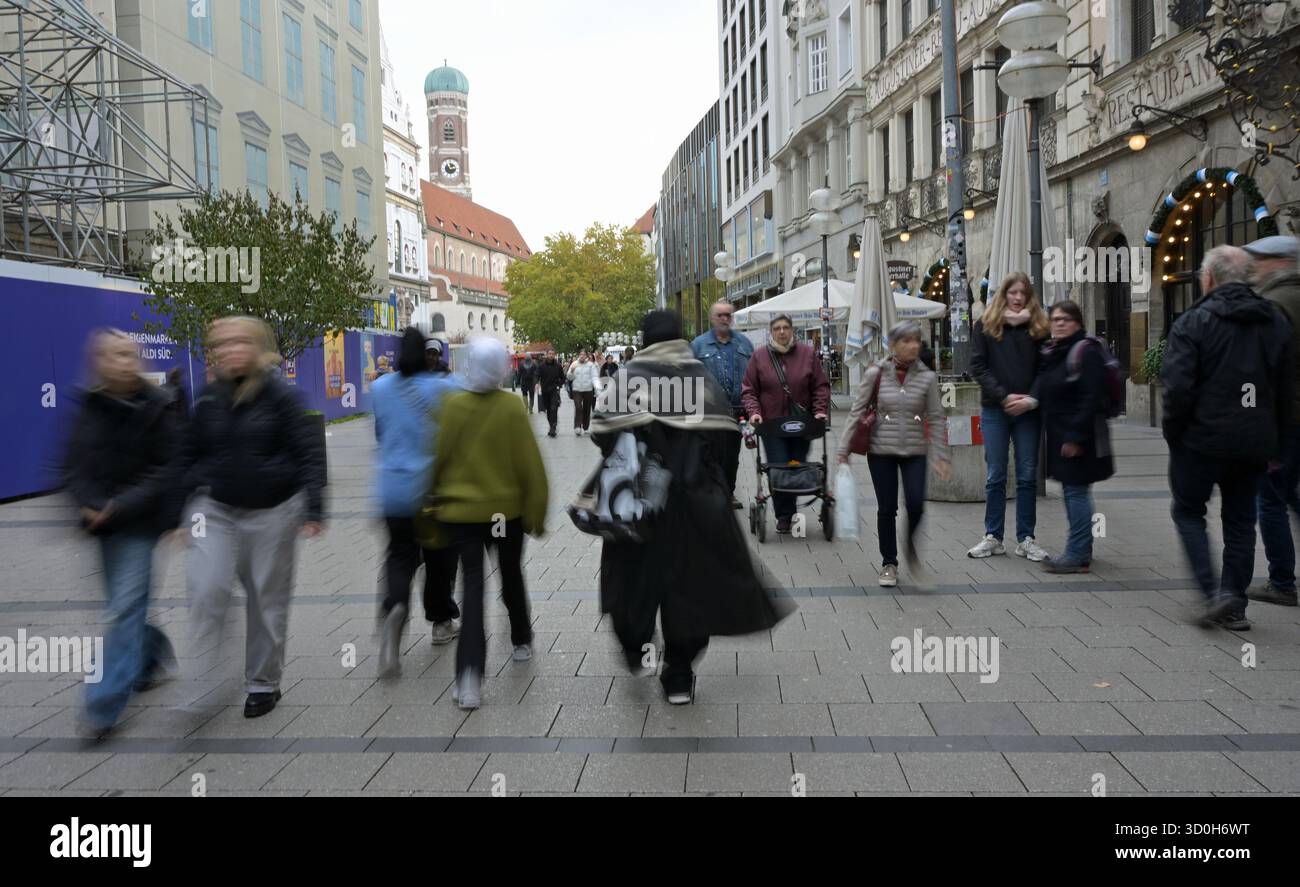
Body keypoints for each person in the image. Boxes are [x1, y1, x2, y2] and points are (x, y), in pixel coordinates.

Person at [593, 310, 793, 704]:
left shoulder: (630, 376)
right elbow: (724, 436)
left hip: (636, 501)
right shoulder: (699, 375)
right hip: (694, 502)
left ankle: (636, 647)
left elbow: (602, 432)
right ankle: (679, 675)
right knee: (688, 582)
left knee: (631, 577)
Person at [177, 316, 326, 718]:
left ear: (260, 348)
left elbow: (308, 454)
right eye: (220, 344)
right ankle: (203, 678)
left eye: (238, 342)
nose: (227, 350)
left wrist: (313, 508)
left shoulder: (283, 397)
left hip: (274, 510)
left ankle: (263, 683)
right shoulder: (209, 398)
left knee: (266, 600)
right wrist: (178, 511)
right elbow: (189, 455)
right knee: (207, 590)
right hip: (217, 509)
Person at [1162, 246, 1292, 628]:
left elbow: (1178, 390)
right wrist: (1278, 443)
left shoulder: (1193, 321)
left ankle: (1211, 594)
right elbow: (1284, 391)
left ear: (1209, 279)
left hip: (1200, 441)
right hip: (1253, 441)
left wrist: (1175, 436)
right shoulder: (1274, 320)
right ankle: (1234, 603)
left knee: (1188, 511)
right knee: (1240, 521)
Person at [64, 330, 180, 738]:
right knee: (126, 605)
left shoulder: (158, 407)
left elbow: (167, 469)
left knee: (123, 610)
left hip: (139, 523)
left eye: (131, 354)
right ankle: (154, 655)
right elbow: (73, 463)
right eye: (115, 355)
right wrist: (86, 500)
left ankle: (102, 707)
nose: (125, 362)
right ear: (99, 361)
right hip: (103, 526)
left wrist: (120, 505)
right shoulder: (90, 406)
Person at [426, 338, 548, 710]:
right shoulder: (512, 407)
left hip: (463, 517)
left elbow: (438, 459)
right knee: (510, 574)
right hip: (504, 516)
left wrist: (430, 507)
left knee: (472, 590)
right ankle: (521, 639)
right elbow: (530, 465)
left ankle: (468, 680)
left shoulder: (451, 406)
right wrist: (537, 514)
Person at [372, 328, 464, 677]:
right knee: (441, 559)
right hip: (434, 491)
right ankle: (441, 622)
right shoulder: (446, 388)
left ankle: (395, 608)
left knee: (399, 556)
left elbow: (382, 434)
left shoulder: (380, 388)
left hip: (392, 489)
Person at [838, 321, 951, 587]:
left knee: (916, 504)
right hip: (881, 450)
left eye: (916, 341)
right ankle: (889, 562)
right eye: (907, 341)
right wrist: (843, 448)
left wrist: (941, 456)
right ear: (893, 346)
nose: (913, 346)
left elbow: (935, 417)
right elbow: (857, 410)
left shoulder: (927, 377)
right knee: (887, 508)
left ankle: (910, 548)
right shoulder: (875, 373)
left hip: (915, 450)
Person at [967, 272, 1051, 562]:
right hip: (995, 409)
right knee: (996, 474)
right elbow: (977, 366)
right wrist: (1003, 396)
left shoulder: (1039, 328)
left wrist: (1029, 399)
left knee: (1028, 475)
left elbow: (1046, 368)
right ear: (1003, 294)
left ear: (1029, 297)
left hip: (1028, 411)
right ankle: (993, 536)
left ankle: (1026, 538)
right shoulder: (986, 326)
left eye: (1023, 294)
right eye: (1013, 292)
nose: (1017, 298)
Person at [1030, 300, 1116, 576]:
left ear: (1078, 322)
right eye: (1055, 319)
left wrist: (1076, 436)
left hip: (1080, 436)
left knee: (1076, 491)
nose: (1059, 324)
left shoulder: (1085, 351)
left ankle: (1077, 553)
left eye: (1066, 319)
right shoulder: (1055, 351)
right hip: (1062, 434)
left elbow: (1090, 398)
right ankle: (1082, 548)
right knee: (1074, 490)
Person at [1246, 236, 1300, 607]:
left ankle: (1281, 581)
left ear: (1281, 262)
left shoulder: (1275, 303)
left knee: (1270, 497)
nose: (1255, 267)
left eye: (1261, 260)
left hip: (1285, 418)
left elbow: (1263, 367)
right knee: (1291, 493)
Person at [740, 314, 831, 534]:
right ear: (771, 332)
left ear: (792, 331)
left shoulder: (807, 355)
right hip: (772, 426)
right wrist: (754, 413)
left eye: (786, 328)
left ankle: (788, 512)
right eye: (777, 328)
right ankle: (784, 516)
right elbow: (749, 389)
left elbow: (821, 386)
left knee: (796, 466)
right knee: (778, 467)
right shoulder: (760, 356)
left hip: (802, 426)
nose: (782, 332)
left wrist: (819, 411)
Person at [692, 300, 756, 508]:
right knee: (710, 454)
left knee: (731, 456)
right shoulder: (699, 345)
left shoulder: (744, 344)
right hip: (709, 412)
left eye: (728, 315)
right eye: (720, 315)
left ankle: (728, 492)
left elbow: (754, 376)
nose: (724, 319)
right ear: (712, 318)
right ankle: (714, 492)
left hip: (737, 411)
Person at [567, 350, 599, 435]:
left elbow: (595, 377)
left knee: (587, 409)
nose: (582, 356)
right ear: (579, 355)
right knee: (578, 407)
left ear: (586, 356)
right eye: (580, 354)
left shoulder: (591, 365)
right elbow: (569, 377)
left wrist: (597, 389)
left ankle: (585, 427)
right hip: (577, 389)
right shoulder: (574, 364)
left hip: (588, 389)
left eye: (584, 354)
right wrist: (571, 371)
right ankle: (577, 426)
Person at [538, 349, 566, 437]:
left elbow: (563, 377)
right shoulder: (542, 366)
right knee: (548, 410)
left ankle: (553, 427)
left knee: (554, 408)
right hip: (545, 391)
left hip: (554, 390)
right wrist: (536, 383)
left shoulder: (558, 366)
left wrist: (559, 385)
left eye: (552, 354)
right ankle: (551, 425)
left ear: (554, 355)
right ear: (546, 355)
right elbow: (536, 375)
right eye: (549, 354)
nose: (551, 355)